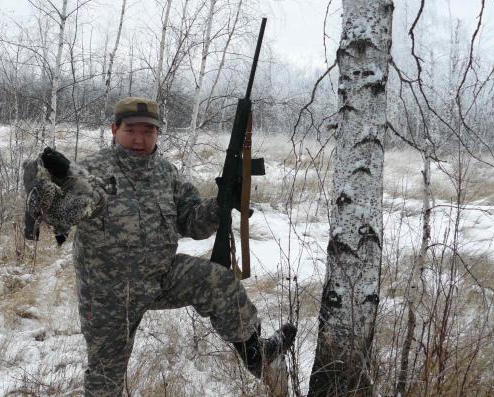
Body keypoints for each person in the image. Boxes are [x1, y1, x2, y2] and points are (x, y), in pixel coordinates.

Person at [25, 97, 296, 396]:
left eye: (148, 131)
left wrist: (221, 204)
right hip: (110, 295)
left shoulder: (167, 174)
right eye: (131, 130)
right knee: (105, 376)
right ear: (114, 129)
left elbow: (193, 223)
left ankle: (258, 356)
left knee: (217, 280)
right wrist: (53, 206)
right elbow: (79, 201)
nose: (139, 139)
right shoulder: (91, 170)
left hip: (160, 277)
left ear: (158, 134)